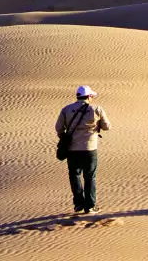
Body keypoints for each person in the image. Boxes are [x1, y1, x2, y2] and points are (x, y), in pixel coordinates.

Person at [55, 85, 111, 215]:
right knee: (90, 176)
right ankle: (90, 206)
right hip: (90, 148)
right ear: (89, 96)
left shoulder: (66, 109)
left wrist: (66, 136)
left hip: (72, 149)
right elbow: (107, 126)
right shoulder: (96, 109)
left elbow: (58, 128)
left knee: (74, 175)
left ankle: (78, 204)